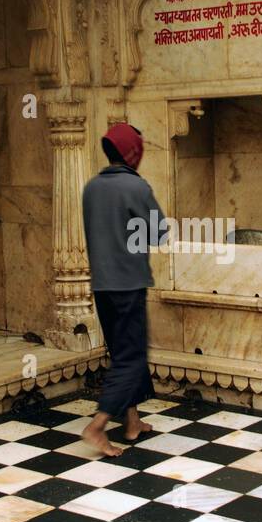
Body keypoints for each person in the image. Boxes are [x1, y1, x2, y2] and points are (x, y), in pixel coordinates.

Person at [80, 122, 168, 456]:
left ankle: (133, 422)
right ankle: (97, 425)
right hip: (129, 285)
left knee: (122, 353)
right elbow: (158, 234)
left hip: (102, 285)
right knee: (132, 357)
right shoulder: (136, 187)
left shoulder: (91, 188)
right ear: (134, 151)